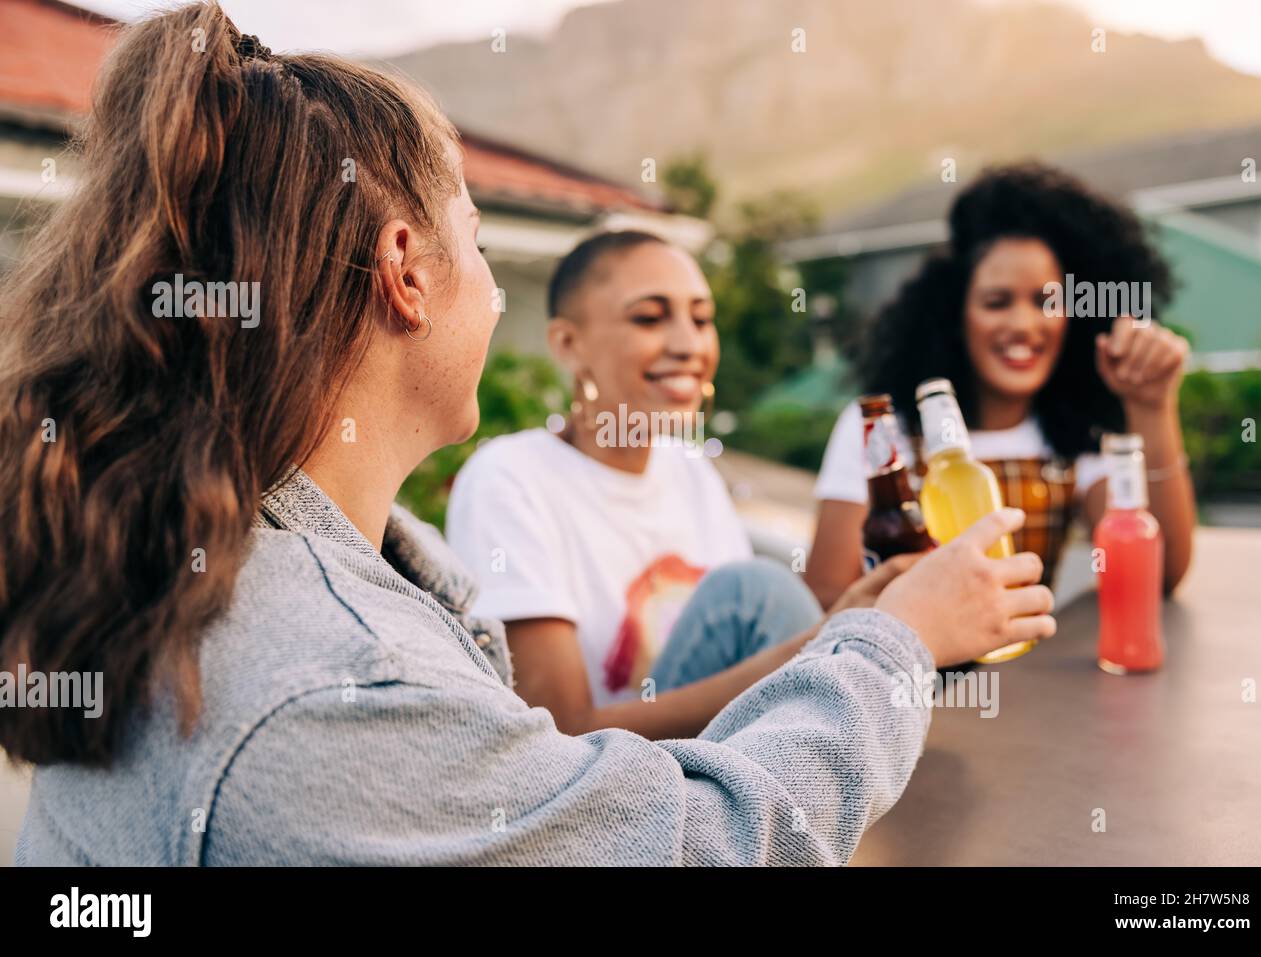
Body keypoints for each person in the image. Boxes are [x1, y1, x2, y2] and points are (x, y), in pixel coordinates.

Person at [1, 4, 1053, 867]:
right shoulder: (329, 683)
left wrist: (853, 632)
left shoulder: (285, 563)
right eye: (478, 243)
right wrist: (896, 645)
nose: (493, 291)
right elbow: (708, 846)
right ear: (406, 272)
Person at [448, 231, 922, 739]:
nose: (688, 345)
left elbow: (741, 656)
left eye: (701, 319)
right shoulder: (510, 478)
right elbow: (564, 731)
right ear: (569, 344)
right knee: (756, 590)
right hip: (613, 788)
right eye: (650, 317)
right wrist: (818, 642)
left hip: (715, 763)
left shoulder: (690, 469)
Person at [805, 163, 1196, 609]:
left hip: (1022, 673)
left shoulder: (1076, 435)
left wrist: (1153, 406)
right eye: (997, 302)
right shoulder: (879, 427)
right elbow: (827, 599)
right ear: (955, 315)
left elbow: (1159, 576)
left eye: (1046, 301)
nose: (1023, 325)